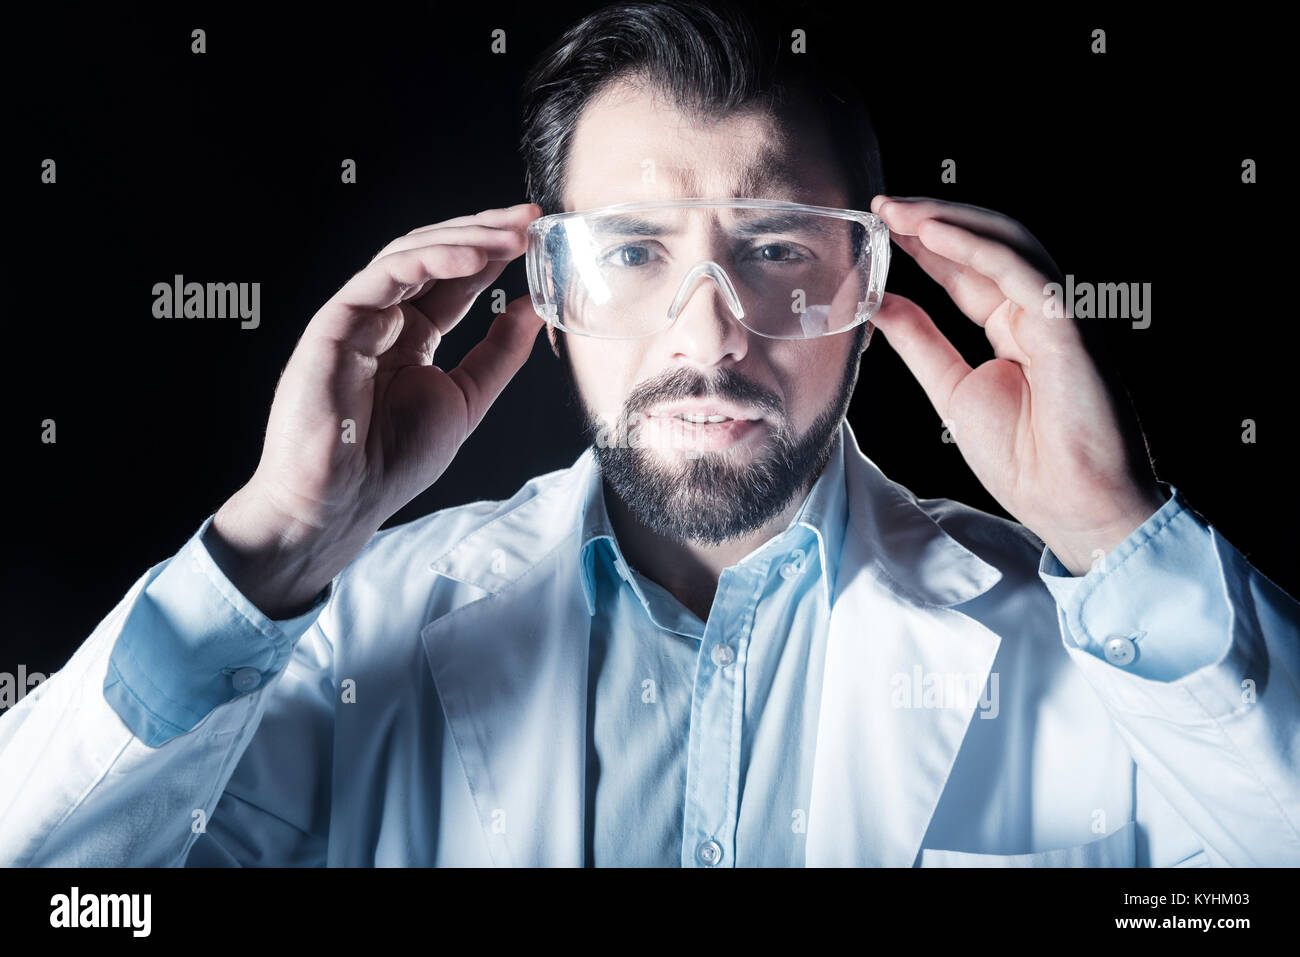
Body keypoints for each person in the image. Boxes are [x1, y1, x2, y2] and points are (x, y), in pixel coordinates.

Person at [1, 0, 1297, 867]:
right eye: (630, 252)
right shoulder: (351, 640)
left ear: (870, 291)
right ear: (548, 294)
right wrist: (272, 544)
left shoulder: (1098, 651)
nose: (708, 334)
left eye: (781, 248)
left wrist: (1115, 533)